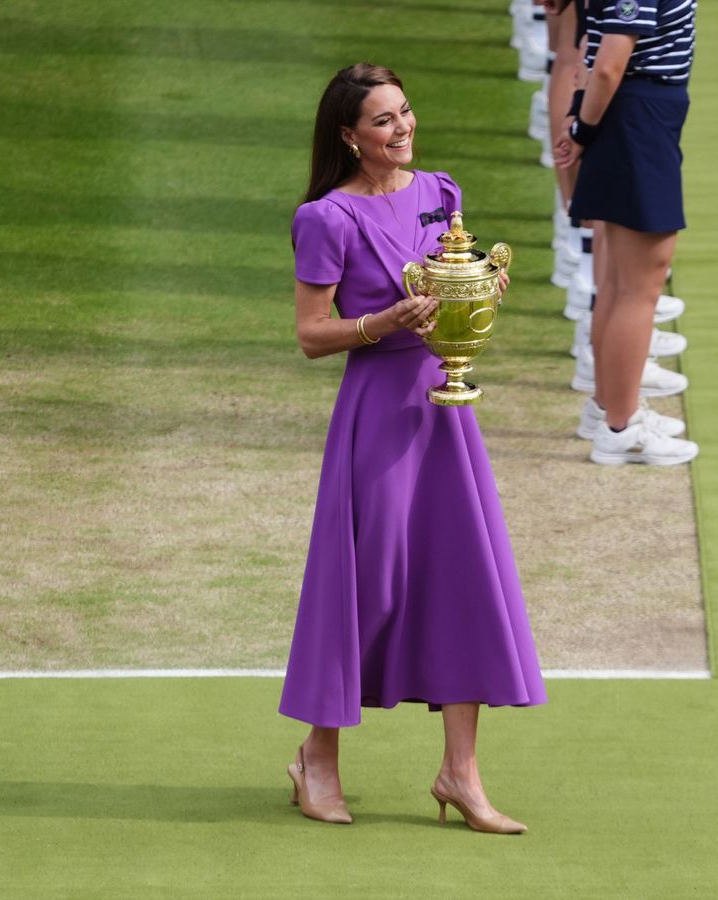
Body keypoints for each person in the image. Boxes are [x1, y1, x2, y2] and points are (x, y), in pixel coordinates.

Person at [278, 63, 546, 834]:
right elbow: (309, 336)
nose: (402, 130)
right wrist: (385, 322)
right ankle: (317, 760)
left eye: (405, 113)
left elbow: (459, 283)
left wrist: (480, 298)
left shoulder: (442, 194)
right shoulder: (325, 218)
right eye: (384, 122)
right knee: (371, 585)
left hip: (446, 411)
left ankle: (460, 774)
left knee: (459, 580)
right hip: (378, 416)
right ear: (349, 138)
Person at [554, 0, 699, 466]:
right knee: (639, 287)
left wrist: (583, 124)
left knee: (618, 284)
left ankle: (608, 409)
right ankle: (622, 428)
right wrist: (581, 129)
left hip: (633, 116)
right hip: (635, 119)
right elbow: (607, 65)